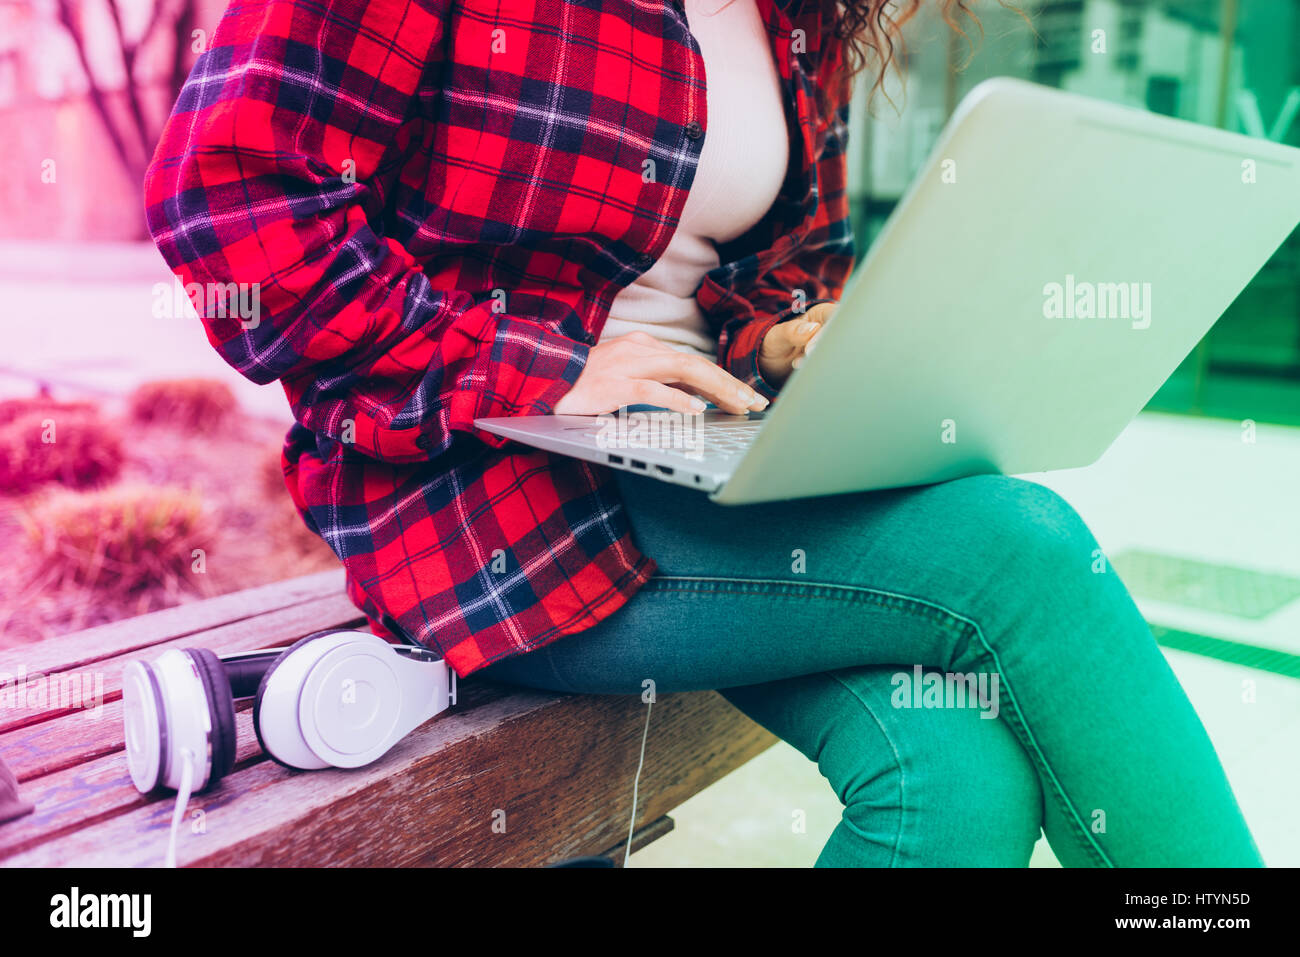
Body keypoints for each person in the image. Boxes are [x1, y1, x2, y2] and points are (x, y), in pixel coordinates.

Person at [144, 0, 1261, 866]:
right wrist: (555, 368)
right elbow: (230, 202)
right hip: (481, 493)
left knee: (953, 774)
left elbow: (768, 269)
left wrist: (779, 339)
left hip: (709, 467)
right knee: (1022, 548)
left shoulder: (792, 20)